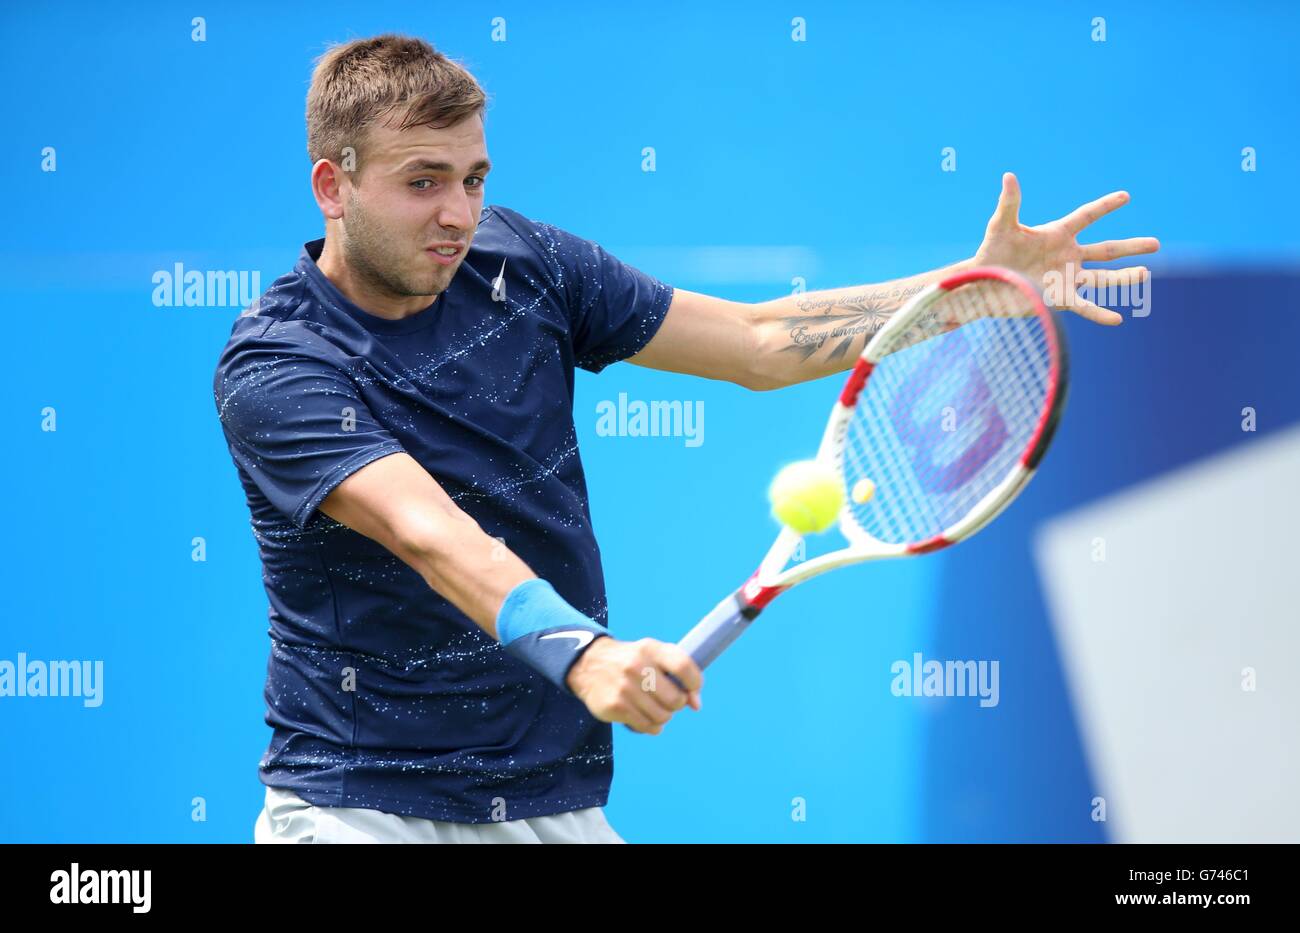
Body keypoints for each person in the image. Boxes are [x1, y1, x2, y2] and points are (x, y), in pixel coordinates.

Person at [215, 33, 1158, 844]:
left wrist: (969, 287)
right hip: (361, 806)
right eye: (422, 183)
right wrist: (583, 653)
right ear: (331, 186)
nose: (458, 213)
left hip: (548, 792)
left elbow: (755, 343)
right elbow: (431, 533)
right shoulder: (280, 365)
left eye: (472, 178)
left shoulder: (527, 265)